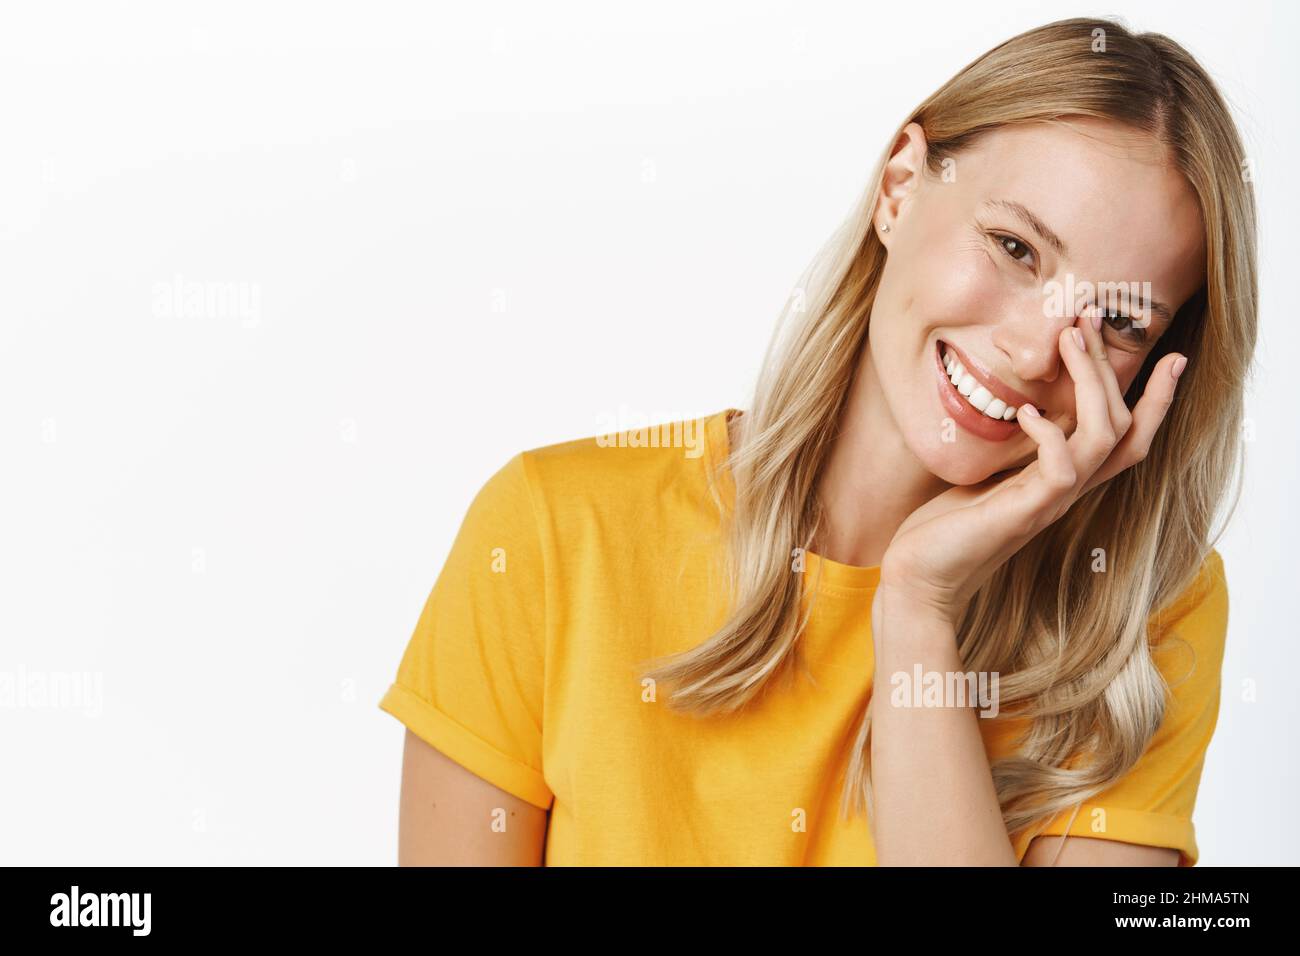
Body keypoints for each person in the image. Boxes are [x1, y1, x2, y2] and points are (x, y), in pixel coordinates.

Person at [379, 16, 1256, 866]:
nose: (1034, 351)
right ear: (900, 188)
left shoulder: (1141, 619)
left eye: (1116, 321)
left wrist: (919, 610)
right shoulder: (552, 532)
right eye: (1015, 247)